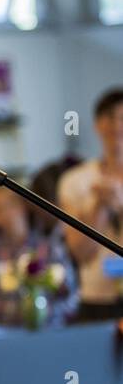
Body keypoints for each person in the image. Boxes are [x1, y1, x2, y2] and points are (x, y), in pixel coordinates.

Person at [0, 184, 78, 327]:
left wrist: (42, 310)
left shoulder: (50, 248)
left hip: (49, 331)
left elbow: (70, 297)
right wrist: (18, 311)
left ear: (19, 207)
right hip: (3, 335)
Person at [57, 88, 123, 322]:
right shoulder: (75, 181)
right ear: (98, 125)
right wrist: (100, 207)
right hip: (96, 300)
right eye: (111, 118)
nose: (117, 126)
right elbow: (80, 252)